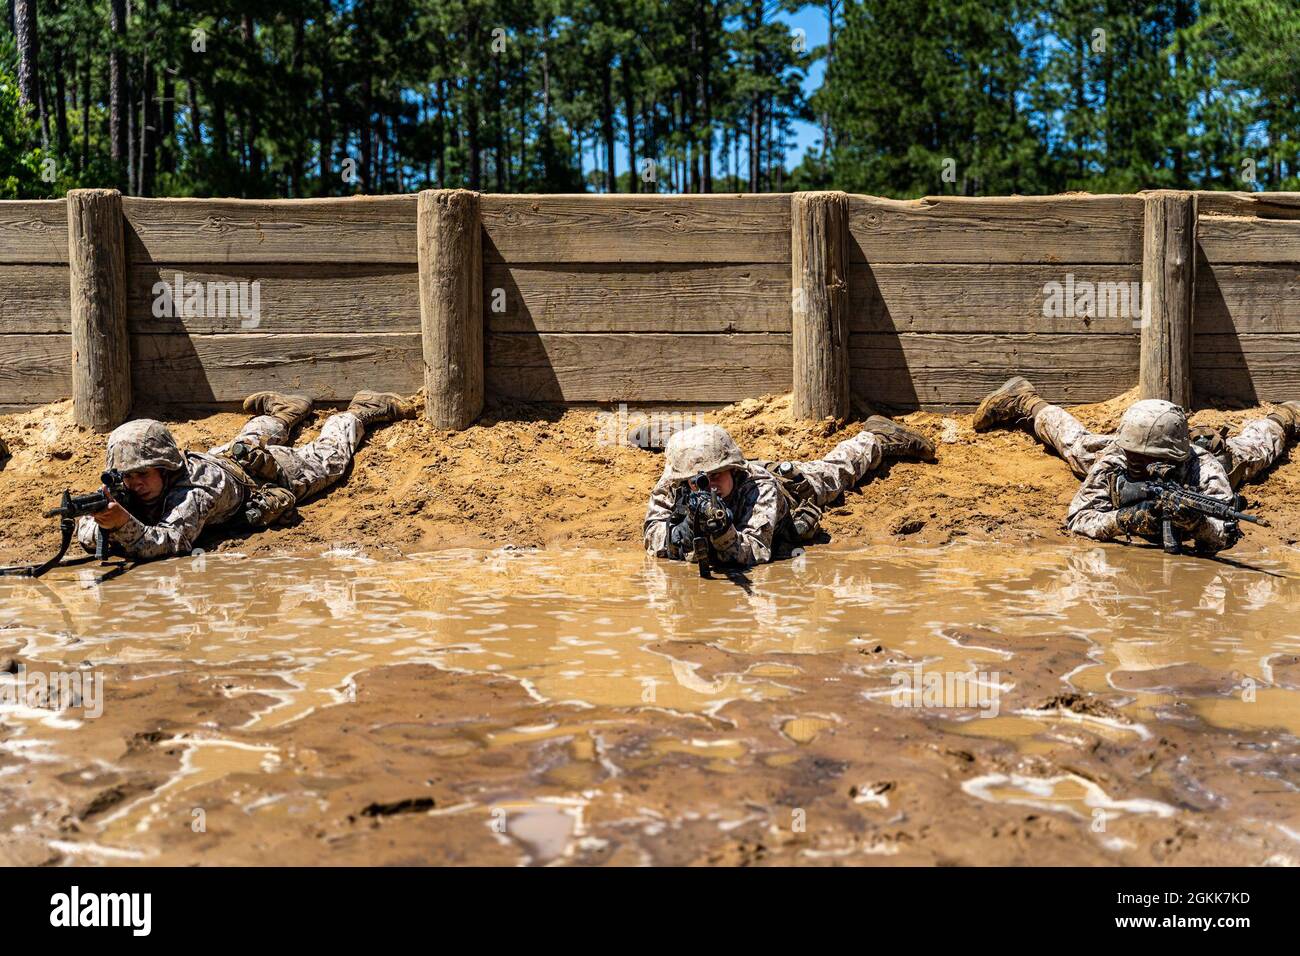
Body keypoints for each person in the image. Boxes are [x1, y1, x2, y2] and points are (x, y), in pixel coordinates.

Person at [972, 376, 1300, 553]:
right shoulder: (1119, 455)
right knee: (1080, 447)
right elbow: (1078, 518)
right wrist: (1126, 519)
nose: (1135, 464)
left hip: (1207, 460)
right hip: (1131, 458)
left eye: (1146, 460)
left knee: (1249, 453)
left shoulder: (1204, 469)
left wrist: (1198, 525)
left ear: (1169, 457)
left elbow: (1225, 535)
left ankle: (1286, 416)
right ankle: (1026, 401)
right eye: (1133, 456)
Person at [77, 390, 414, 560]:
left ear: (166, 467)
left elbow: (171, 543)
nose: (133, 484)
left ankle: (359, 410)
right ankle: (284, 412)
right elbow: (87, 528)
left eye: (142, 475)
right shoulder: (124, 482)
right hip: (223, 457)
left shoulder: (193, 491)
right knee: (243, 443)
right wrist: (104, 519)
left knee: (330, 461)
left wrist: (122, 524)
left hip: (264, 476)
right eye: (126, 477)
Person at [644, 417, 935, 566]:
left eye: (716, 476)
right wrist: (676, 537)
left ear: (732, 469)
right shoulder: (676, 483)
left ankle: (877, 437)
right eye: (699, 480)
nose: (709, 486)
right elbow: (651, 536)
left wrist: (723, 535)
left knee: (833, 472)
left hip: (789, 489)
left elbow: (756, 553)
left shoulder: (759, 487)